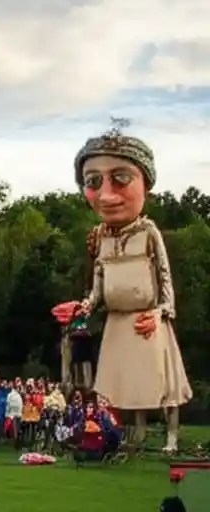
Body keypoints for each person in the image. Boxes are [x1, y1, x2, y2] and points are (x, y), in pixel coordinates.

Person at [52, 126, 192, 453]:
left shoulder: (148, 232)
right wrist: (85, 306)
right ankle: (136, 435)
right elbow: (98, 286)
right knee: (128, 386)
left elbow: (164, 276)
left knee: (162, 383)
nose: (106, 195)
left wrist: (162, 312)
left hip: (147, 319)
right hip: (117, 320)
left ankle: (171, 436)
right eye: (92, 182)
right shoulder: (101, 237)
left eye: (121, 179)